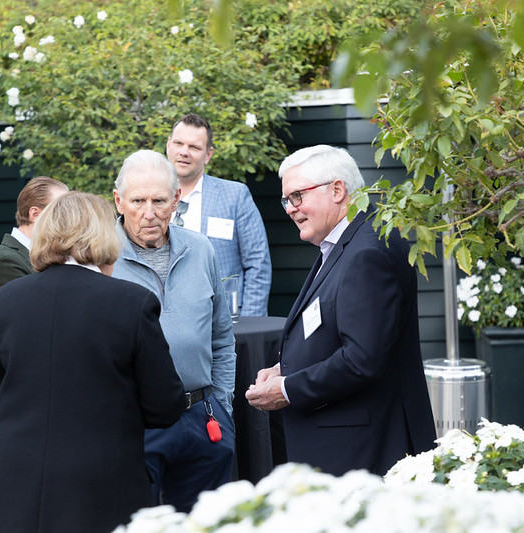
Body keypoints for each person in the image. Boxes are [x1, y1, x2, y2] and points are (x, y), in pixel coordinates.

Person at [0, 191, 186, 532]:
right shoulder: (132, 302)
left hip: (15, 481)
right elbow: (164, 406)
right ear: (104, 236)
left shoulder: (6, 299)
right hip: (98, 483)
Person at [245, 145, 436, 477]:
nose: (290, 209)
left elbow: (361, 359)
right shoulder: (347, 242)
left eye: (297, 196)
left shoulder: (367, 252)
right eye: (286, 200)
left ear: (337, 190)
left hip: (361, 452)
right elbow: (338, 332)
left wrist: (288, 388)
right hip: (347, 445)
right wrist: (283, 369)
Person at [111, 149, 236, 512]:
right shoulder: (101, 258)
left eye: (159, 201)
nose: (149, 213)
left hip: (202, 417)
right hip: (133, 424)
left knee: (203, 522)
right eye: (138, 201)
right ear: (118, 201)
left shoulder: (200, 249)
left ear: (176, 199)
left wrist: (222, 405)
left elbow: (221, 337)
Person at [166, 113, 272, 316]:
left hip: (223, 319)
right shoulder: (149, 198)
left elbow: (258, 263)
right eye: (179, 143)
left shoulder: (235, 196)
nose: (184, 152)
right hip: (165, 319)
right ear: (168, 145)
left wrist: (251, 324)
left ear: (208, 154)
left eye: (194, 147)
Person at [0, 176, 68, 310]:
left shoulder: (47, 254)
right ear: (35, 214)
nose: (68, 218)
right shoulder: (6, 260)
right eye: (61, 210)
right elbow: (29, 313)